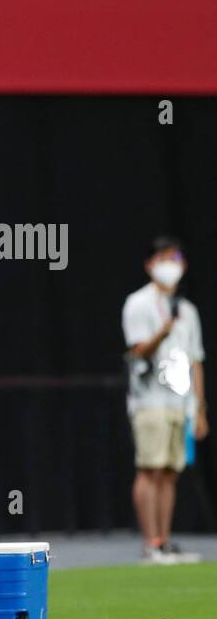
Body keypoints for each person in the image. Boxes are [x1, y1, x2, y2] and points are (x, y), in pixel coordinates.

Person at [122, 236, 208, 563]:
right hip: (149, 399)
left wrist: (199, 407)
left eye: (175, 259)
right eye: (163, 259)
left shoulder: (188, 310)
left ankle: (164, 540)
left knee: (170, 471)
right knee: (150, 468)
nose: (170, 265)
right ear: (150, 264)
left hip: (179, 401)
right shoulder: (138, 303)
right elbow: (136, 351)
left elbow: (195, 359)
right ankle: (150, 544)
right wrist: (163, 330)